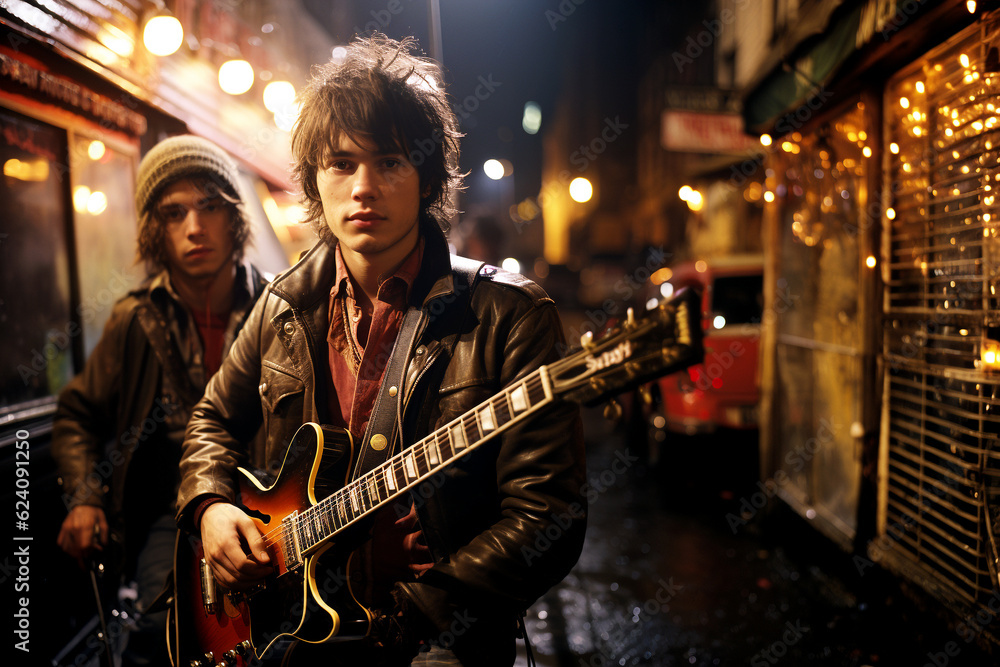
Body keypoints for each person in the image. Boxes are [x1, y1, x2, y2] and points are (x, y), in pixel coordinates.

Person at [176, 34, 587, 666]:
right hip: (293, 629)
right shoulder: (284, 305)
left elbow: (548, 513)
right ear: (315, 179)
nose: (363, 187)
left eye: (390, 162)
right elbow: (213, 420)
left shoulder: (510, 316)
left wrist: (427, 608)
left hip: (440, 638)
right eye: (341, 163)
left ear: (427, 178)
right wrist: (209, 505)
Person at [52, 134, 270, 666]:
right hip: (169, 518)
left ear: (234, 216)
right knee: (162, 637)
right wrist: (84, 496)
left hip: (268, 498)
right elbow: (77, 414)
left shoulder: (277, 304)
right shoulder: (134, 317)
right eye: (173, 214)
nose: (195, 228)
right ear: (156, 230)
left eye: (209, 206)